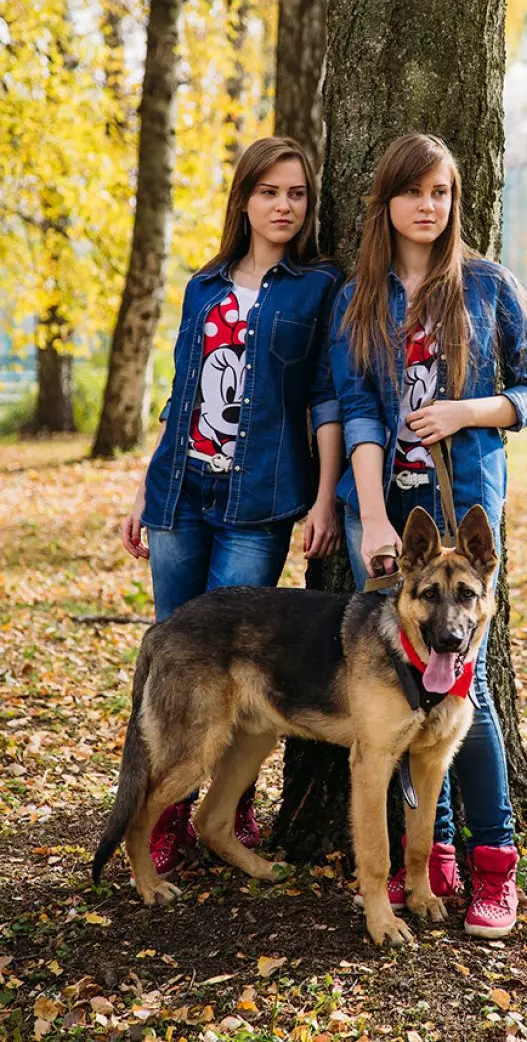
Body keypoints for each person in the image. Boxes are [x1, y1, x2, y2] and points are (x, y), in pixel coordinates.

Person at [330, 132, 527, 939]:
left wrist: (464, 410)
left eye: (442, 192)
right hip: (385, 508)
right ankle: (435, 853)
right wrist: (372, 511)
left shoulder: (487, 285)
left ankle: (494, 864)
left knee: (463, 691)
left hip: (467, 513)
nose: (429, 205)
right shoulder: (363, 294)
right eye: (414, 191)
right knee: (396, 695)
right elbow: (352, 403)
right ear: (387, 201)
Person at [122, 136, 343, 876]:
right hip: (181, 497)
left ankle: (233, 807)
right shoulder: (204, 285)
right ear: (244, 199)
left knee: (239, 662)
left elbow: (324, 398)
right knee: (181, 660)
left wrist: (323, 499)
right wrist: (145, 489)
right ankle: (167, 821)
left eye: (297, 194)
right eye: (270, 191)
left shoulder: (318, 286)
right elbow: (183, 395)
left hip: (259, 501)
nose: (284, 206)